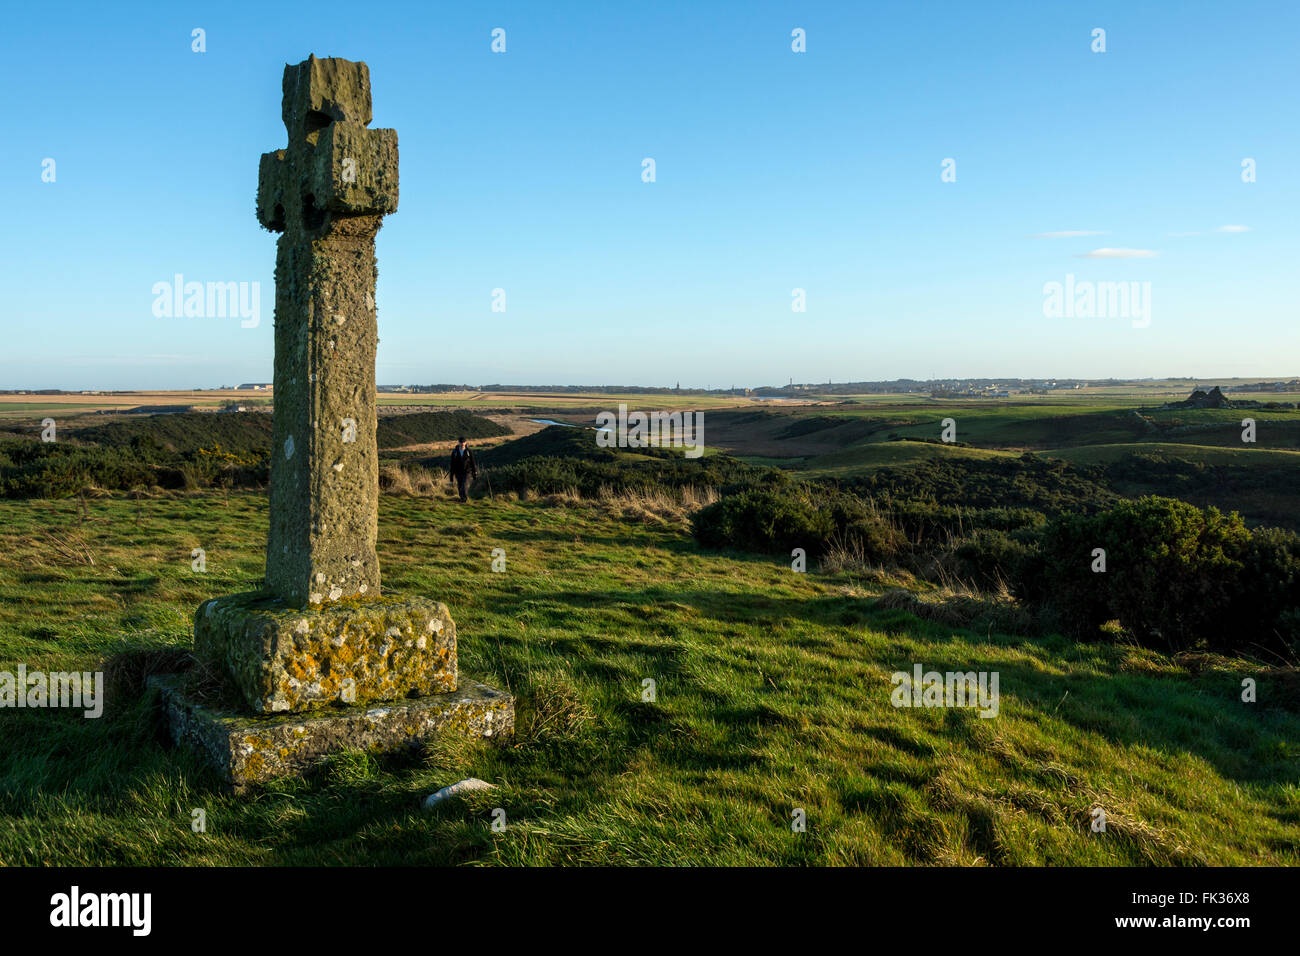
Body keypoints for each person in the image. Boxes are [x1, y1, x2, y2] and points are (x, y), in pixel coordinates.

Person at [448, 436, 478, 503]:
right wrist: (451, 475)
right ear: (458, 443)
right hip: (458, 472)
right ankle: (462, 499)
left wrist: (474, 472)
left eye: (463, 442)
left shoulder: (468, 451)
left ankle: (464, 500)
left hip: (467, 472)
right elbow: (452, 464)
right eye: (461, 442)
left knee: (464, 486)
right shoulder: (455, 452)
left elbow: (472, 462)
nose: (462, 443)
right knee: (460, 486)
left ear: (466, 442)